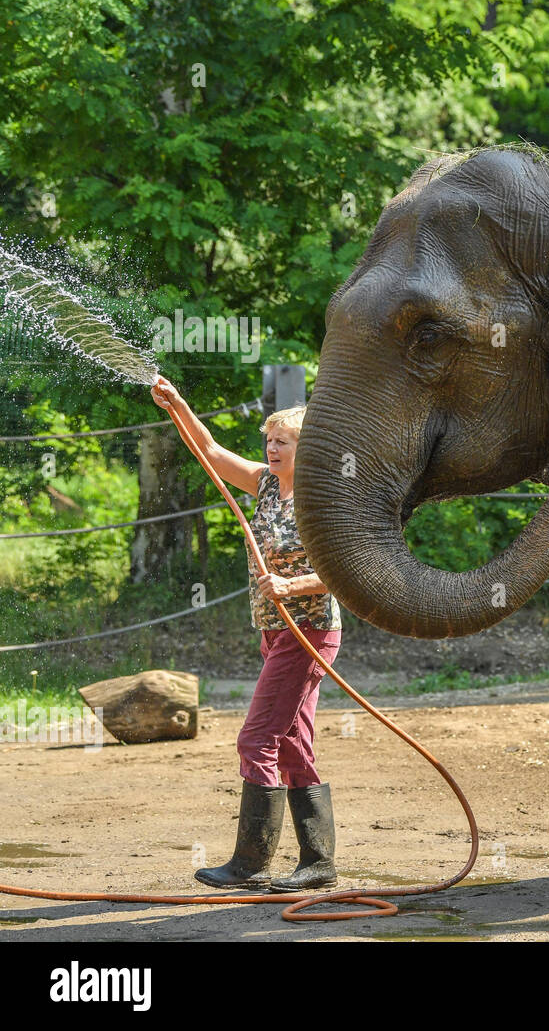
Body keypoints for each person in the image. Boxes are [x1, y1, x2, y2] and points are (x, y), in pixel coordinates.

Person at [151, 376, 342, 892]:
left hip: (310, 630)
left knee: (256, 738)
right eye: (269, 441)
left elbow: (347, 570)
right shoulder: (262, 485)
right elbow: (210, 451)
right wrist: (178, 405)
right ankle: (319, 864)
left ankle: (250, 865)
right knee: (291, 742)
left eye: (283, 441)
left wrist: (291, 582)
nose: (272, 448)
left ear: (308, 447)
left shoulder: (322, 499)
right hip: (276, 632)